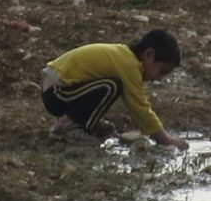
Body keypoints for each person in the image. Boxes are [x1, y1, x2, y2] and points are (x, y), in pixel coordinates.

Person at [39, 30, 191, 150]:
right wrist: (166, 140)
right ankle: (68, 127)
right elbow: (140, 108)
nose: (159, 78)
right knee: (111, 86)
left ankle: (83, 124)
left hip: (65, 90)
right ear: (148, 55)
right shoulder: (129, 65)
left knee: (110, 86)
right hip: (57, 93)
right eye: (162, 71)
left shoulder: (124, 58)